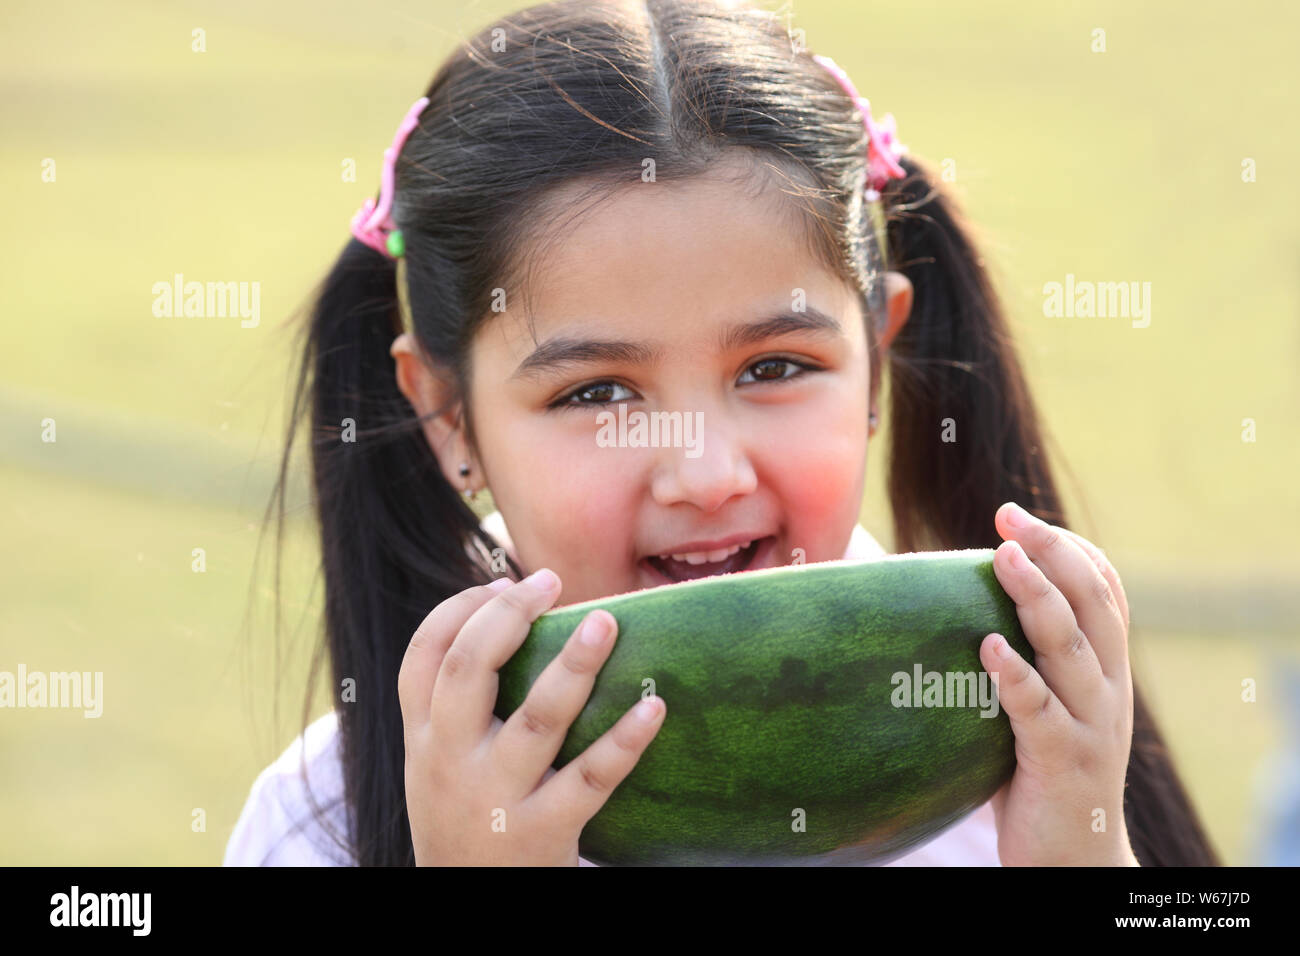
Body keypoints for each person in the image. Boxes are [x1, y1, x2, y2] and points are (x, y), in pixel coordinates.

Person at [226, 0, 1218, 866]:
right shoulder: (326, 827)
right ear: (450, 417)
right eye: (596, 392)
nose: (703, 473)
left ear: (877, 359)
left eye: (774, 368)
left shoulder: (1033, 754)